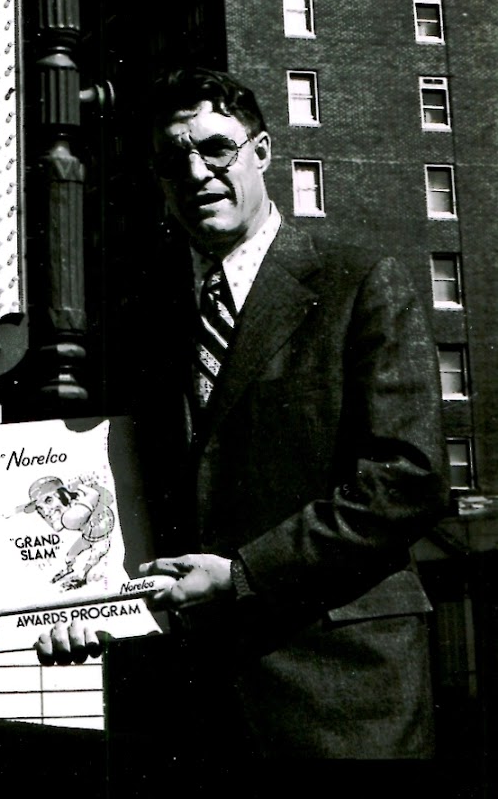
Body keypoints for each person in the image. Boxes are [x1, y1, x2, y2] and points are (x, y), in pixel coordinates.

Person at [38, 66, 448, 761]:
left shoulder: (359, 281)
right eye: (173, 162)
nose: (196, 173)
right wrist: (80, 605)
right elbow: (122, 491)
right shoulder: (146, 317)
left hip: (339, 692)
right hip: (188, 705)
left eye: (215, 149)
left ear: (261, 152)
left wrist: (243, 575)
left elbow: (407, 479)